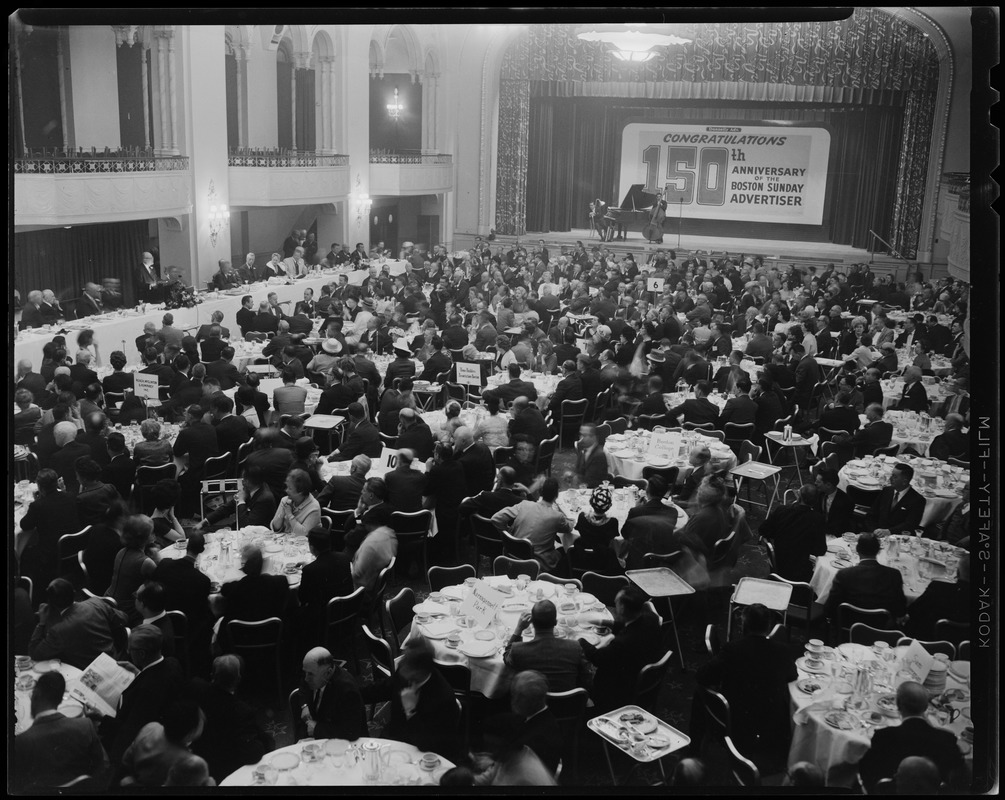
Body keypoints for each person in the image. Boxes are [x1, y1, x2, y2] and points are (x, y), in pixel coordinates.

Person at [696, 603, 797, 772]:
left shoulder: (732, 650)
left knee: (699, 692)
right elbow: (792, 676)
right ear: (768, 626)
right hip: (773, 723)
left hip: (737, 720)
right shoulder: (783, 650)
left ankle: (695, 748)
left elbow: (702, 676)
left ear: (744, 625)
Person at [359, 638, 461, 763]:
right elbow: (384, 688)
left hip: (423, 755)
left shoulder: (443, 698)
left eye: (406, 667)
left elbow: (426, 744)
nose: (401, 668)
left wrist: (410, 711)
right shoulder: (406, 669)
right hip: (394, 737)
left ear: (419, 672)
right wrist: (354, 692)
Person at [103, 624, 188, 768]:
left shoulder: (147, 689)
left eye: (130, 649)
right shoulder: (172, 663)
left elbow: (129, 730)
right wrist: (139, 673)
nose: (128, 652)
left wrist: (101, 718)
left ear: (141, 654)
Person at [857, 681, 965, 792]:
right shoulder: (947, 739)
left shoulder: (884, 737)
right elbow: (958, 778)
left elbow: (865, 771)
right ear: (926, 707)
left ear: (898, 705)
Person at [13, 671, 110, 792]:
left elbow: (17, 787)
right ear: (59, 700)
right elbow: (104, 767)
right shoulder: (85, 726)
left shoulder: (20, 742)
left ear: (35, 695)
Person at [190, 655, 274, 782]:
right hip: (226, 769)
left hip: (198, 757)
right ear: (238, 679)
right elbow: (252, 753)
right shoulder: (242, 711)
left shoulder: (196, 688)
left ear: (212, 675)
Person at [579, 586, 663, 712]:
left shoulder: (622, 643)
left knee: (582, 672)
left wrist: (580, 639)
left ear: (622, 608)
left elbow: (597, 657)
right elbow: (631, 625)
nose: (614, 604)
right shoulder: (651, 618)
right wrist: (601, 621)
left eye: (616, 603)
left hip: (622, 686)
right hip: (647, 674)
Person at [29, 577, 128, 669]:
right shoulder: (96, 603)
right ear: (74, 593)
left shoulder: (58, 630)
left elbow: (34, 653)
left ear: (50, 603)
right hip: (116, 662)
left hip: (89, 672)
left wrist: (41, 623)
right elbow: (123, 618)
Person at [503, 601, 592, 693]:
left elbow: (506, 658)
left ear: (532, 623)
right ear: (555, 622)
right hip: (568, 700)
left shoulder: (518, 650)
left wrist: (518, 629)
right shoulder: (574, 647)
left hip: (534, 699)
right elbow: (586, 677)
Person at [17, 468, 82, 591]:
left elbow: (24, 525)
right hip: (74, 546)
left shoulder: (38, 505)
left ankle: (29, 588)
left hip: (50, 553)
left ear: (40, 486)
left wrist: (36, 503)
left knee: (24, 552)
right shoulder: (70, 496)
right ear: (56, 483)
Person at [491, 477, 571, 574]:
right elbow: (569, 528)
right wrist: (569, 516)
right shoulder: (557, 516)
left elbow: (496, 518)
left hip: (513, 555)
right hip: (538, 563)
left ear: (541, 492)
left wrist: (508, 535)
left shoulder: (524, 504)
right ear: (556, 495)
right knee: (566, 551)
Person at [120, 699, 205, 787]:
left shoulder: (151, 728)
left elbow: (126, 759)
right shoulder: (186, 761)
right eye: (201, 722)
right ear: (190, 734)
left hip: (129, 779)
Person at [824, 532, 907, 622]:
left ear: (857, 550)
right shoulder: (894, 575)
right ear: (879, 551)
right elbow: (901, 611)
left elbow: (829, 609)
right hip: (881, 625)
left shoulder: (844, 574)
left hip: (849, 624)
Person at [758, 484, 827, 582]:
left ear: (799, 497)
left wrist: (779, 535)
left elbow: (762, 530)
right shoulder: (817, 519)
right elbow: (820, 550)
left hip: (779, 562)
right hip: (801, 571)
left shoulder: (781, 510)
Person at [296, 647, 365, 742]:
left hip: (340, 743)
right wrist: (304, 705)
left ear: (328, 673)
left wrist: (317, 729)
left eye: (310, 674)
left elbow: (351, 733)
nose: (306, 678)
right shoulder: (311, 671)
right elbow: (303, 687)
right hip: (311, 732)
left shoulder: (347, 690)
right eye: (305, 673)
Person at [298, 527, 353, 643]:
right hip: (346, 608)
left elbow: (302, 598)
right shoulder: (344, 558)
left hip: (323, 615)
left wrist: (308, 569)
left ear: (312, 548)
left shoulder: (310, 570)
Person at [218, 545, 291, 627]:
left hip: (239, 631)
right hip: (272, 629)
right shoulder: (280, 582)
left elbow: (223, 591)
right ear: (262, 563)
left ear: (244, 567)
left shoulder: (232, 588)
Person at [904, 554, 970, 640]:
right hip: (961, 643)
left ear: (958, 571)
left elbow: (913, 610)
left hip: (923, 639)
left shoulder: (938, 588)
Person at [570, 485, 622, 575]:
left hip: (582, 559)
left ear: (591, 502)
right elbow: (613, 538)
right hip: (603, 561)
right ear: (609, 506)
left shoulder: (582, 517)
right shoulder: (612, 522)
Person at [871, 462, 926, 535]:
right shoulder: (886, 491)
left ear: (905, 481)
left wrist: (889, 531)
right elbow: (872, 514)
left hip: (898, 537)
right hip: (876, 533)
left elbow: (910, 525)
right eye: (892, 475)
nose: (890, 478)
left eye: (895, 477)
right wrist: (874, 531)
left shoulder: (917, 500)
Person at [270, 468, 322, 535]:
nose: (286, 490)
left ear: (300, 492)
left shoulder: (314, 507)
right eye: (287, 487)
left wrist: (290, 515)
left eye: (290, 488)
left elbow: (303, 534)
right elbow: (275, 528)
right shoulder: (285, 500)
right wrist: (282, 514)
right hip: (285, 540)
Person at [454, 425, 497, 495]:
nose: (453, 441)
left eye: (455, 439)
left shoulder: (464, 461)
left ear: (463, 441)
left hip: (473, 495)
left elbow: (458, 484)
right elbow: (493, 469)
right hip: (488, 488)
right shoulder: (484, 446)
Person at [568, 422, 611, 489]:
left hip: (594, 491)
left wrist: (575, 477)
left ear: (593, 437)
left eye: (584, 436)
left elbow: (591, 481)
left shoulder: (599, 455)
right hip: (583, 489)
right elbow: (578, 471)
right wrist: (571, 475)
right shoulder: (583, 449)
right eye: (581, 435)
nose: (581, 439)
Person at [815, 467, 855, 536]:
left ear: (828, 485)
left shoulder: (846, 502)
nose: (815, 483)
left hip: (836, 534)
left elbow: (840, 526)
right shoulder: (819, 494)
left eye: (818, 482)